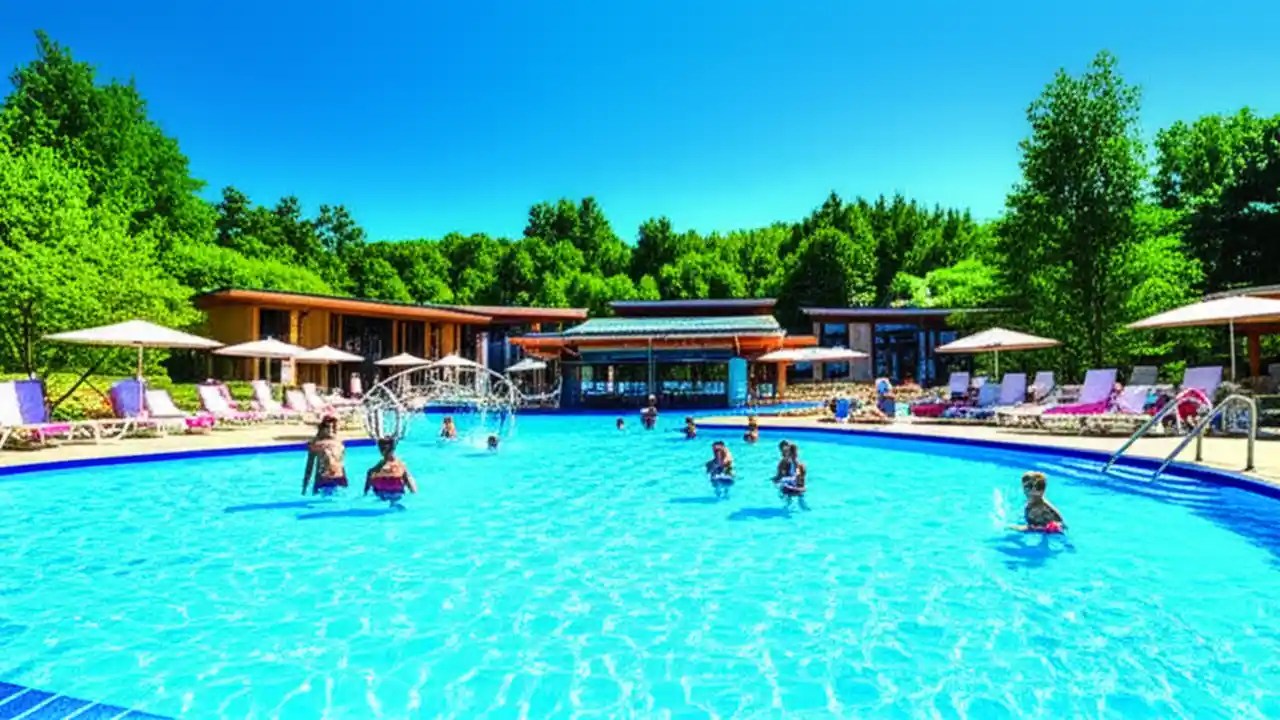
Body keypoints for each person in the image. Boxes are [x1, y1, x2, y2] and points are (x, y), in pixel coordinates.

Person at [364, 436, 418, 505]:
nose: (383, 451)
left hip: (385, 497)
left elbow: (365, 493)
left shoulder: (401, 469)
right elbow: (413, 491)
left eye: (383, 448)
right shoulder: (401, 468)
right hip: (393, 497)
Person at [302, 415, 347, 495]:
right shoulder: (316, 444)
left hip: (338, 478)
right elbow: (309, 467)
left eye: (333, 427)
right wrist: (305, 487)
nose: (330, 430)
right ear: (322, 428)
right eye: (328, 427)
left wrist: (345, 479)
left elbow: (341, 463)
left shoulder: (339, 443)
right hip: (323, 480)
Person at [773, 441, 809, 510]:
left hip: (793, 488)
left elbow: (801, 480)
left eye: (784, 452)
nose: (782, 454)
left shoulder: (799, 466)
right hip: (792, 487)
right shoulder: (784, 463)